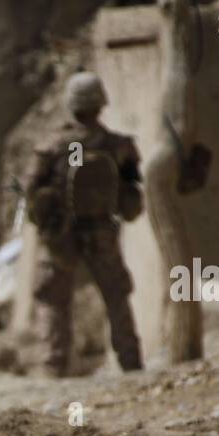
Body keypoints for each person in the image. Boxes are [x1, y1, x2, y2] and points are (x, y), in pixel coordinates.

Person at [26, 71, 145, 376]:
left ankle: (53, 367)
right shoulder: (117, 145)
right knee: (116, 294)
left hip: (60, 235)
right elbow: (132, 190)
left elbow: (31, 190)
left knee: (53, 299)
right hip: (101, 231)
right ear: (101, 103)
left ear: (70, 104)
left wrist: (48, 222)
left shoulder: (51, 146)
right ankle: (131, 363)